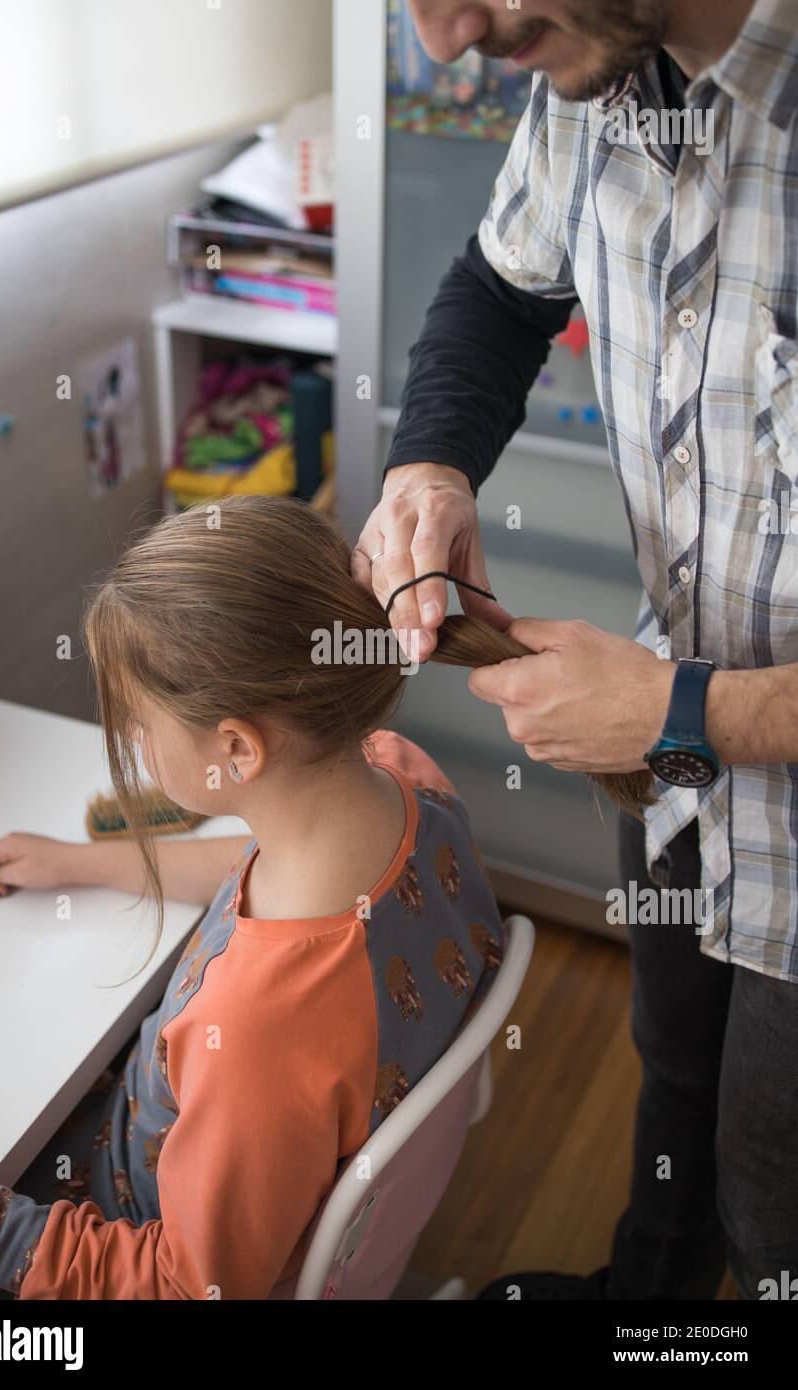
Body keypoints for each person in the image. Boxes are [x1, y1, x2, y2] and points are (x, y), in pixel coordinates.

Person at [355, 0, 798, 1300]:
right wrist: (429, 462)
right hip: (675, 778)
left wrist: (691, 711)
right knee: (669, 1071)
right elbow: (499, 290)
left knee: (773, 1204)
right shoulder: (591, 72)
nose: (443, 40)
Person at [0, 497, 507, 1299]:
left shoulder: (260, 1030)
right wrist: (84, 864)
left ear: (237, 747)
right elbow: (258, 862)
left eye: (136, 722)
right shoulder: (401, 776)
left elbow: (184, 1287)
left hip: (121, 1218)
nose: (133, 741)